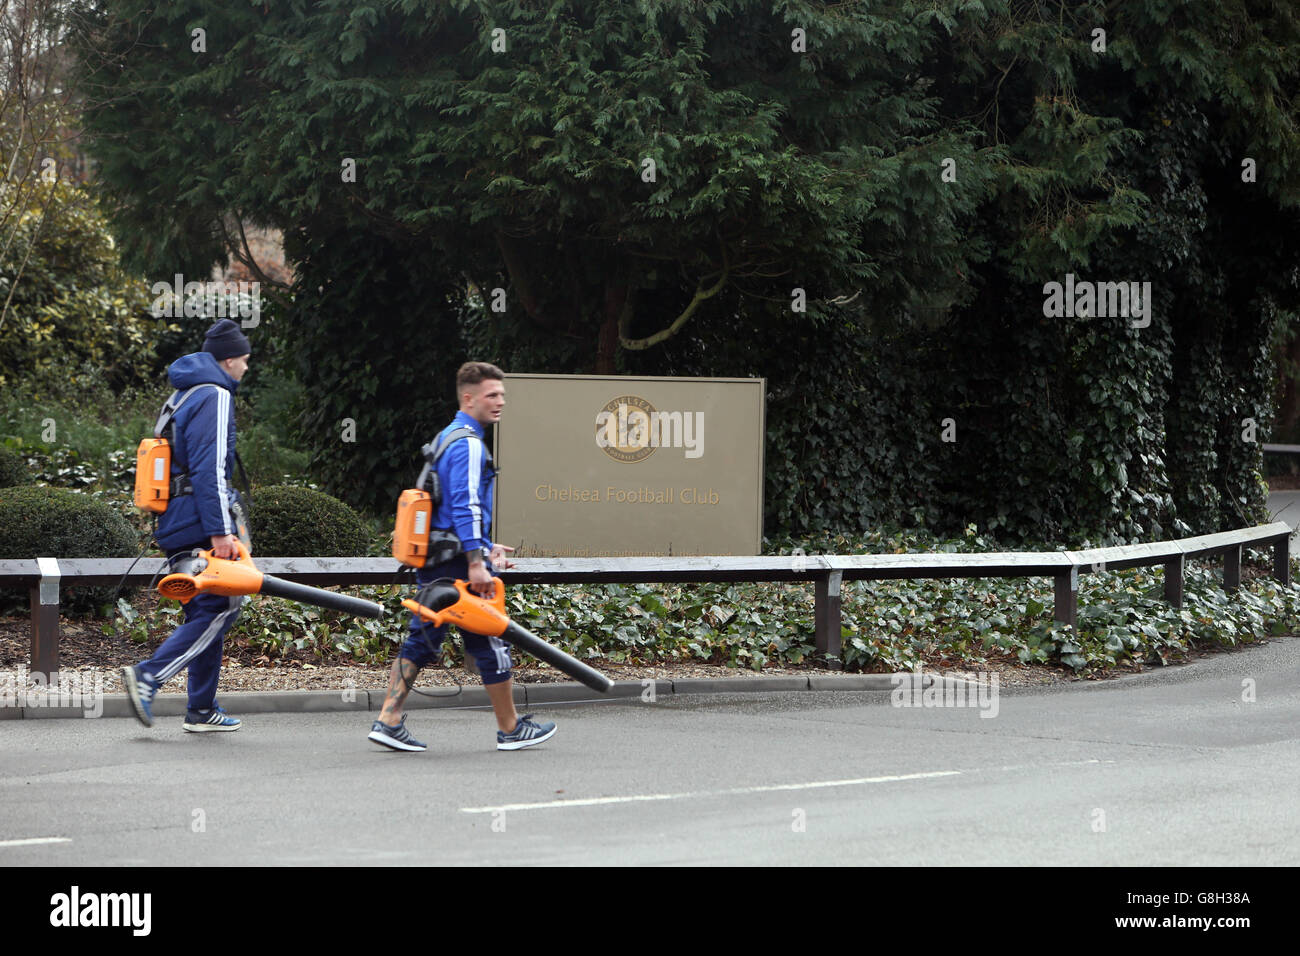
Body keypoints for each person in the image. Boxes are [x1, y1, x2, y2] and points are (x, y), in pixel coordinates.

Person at [368, 361, 557, 753]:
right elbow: (466, 505)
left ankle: (388, 719)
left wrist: (485, 548)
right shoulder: (469, 444)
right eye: (492, 395)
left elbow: (446, 509)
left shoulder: (447, 437)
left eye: (502, 394)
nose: (500, 401)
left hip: (438, 560)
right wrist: (476, 560)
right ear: (468, 398)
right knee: (491, 637)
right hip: (458, 564)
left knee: (423, 637)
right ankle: (509, 729)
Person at [121, 318, 252, 733]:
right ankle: (149, 675)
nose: (247, 369)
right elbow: (209, 469)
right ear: (228, 359)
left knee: (206, 604)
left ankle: (201, 708)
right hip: (198, 519)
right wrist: (221, 531)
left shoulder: (183, 393)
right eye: (245, 360)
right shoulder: (214, 394)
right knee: (223, 606)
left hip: (174, 516)